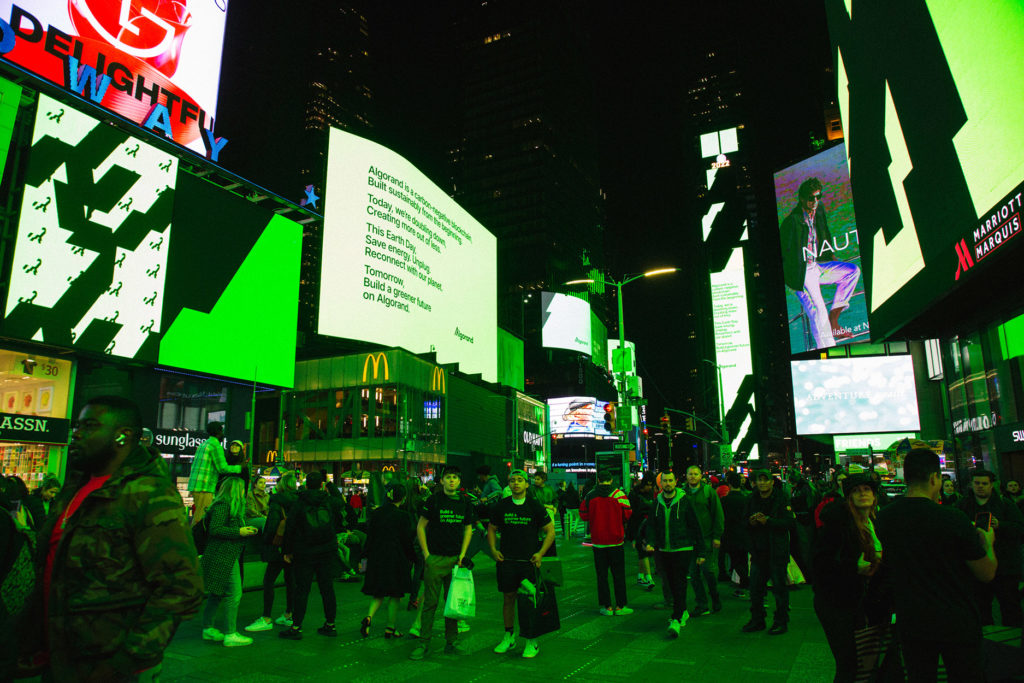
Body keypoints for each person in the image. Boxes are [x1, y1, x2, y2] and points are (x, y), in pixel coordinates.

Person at [39, 395, 203, 681]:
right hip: (59, 656)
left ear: (122, 436)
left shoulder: (149, 494)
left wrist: (125, 661)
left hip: (109, 665)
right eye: (77, 425)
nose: (76, 434)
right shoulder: (75, 487)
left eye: (89, 426)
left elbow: (181, 587)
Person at [876, 449, 996, 682]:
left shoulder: (885, 518)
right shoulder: (954, 519)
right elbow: (986, 573)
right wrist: (988, 544)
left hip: (912, 621)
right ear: (934, 478)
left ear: (905, 477)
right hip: (957, 621)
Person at [812, 473, 887, 682]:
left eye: (867, 490)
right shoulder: (838, 525)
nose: (863, 494)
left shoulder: (876, 521)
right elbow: (820, 564)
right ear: (849, 498)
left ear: (874, 495)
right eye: (856, 491)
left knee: (863, 661)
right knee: (848, 663)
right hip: (836, 603)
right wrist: (852, 567)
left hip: (864, 602)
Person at [780, 177, 861, 348]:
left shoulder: (819, 209)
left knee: (852, 271)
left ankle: (835, 318)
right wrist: (793, 280)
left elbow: (825, 232)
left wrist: (830, 255)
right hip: (802, 273)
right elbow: (782, 254)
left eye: (818, 196)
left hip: (818, 265)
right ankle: (827, 350)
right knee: (818, 312)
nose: (815, 201)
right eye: (811, 198)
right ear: (802, 199)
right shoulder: (791, 222)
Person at [409, 466, 476, 660]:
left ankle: (451, 642)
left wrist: (463, 554)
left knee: (452, 603)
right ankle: (424, 643)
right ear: (442, 481)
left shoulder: (465, 502)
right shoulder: (434, 500)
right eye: (448, 477)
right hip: (435, 558)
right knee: (430, 603)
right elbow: (421, 526)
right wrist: (427, 554)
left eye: (455, 477)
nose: (452, 480)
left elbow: (468, 528)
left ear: (459, 481)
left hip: (456, 560)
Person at [487, 469, 555, 658]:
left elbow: (550, 531)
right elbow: (491, 529)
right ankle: (509, 636)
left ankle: (531, 641)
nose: (516, 483)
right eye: (512, 480)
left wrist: (541, 553)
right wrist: (493, 549)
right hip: (507, 561)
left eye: (520, 480)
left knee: (528, 601)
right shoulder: (501, 506)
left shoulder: (535, 506)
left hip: (528, 562)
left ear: (527, 484)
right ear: (508, 484)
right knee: (508, 598)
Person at [279, 471, 347, 640]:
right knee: (327, 589)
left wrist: (287, 551)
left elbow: (290, 528)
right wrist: (330, 484)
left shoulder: (299, 502)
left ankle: (296, 627)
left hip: (304, 551)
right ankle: (330, 624)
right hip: (327, 550)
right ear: (322, 485)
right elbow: (341, 501)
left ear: (306, 484)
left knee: (302, 589)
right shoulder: (329, 501)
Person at [640, 470, 705, 638]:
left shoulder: (685, 501)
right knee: (669, 581)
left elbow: (695, 526)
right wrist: (651, 542)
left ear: (676, 481)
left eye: (670, 480)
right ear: (660, 484)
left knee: (679, 581)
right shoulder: (657, 502)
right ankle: (682, 610)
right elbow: (651, 525)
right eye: (664, 481)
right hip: (663, 550)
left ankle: (676, 618)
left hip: (682, 548)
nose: (667, 483)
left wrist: (700, 551)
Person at [956, 468, 1023, 627]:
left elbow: (1020, 529)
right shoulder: (962, 506)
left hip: (1005, 567)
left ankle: (1013, 645)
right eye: (977, 483)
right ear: (971, 484)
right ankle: (988, 645)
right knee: (981, 609)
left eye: (984, 483)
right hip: (976, 566)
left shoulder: (1005, 504)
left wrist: (1001, 525)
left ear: (991, 485)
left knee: (1010, 608)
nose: (980, 486)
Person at [200, 477, 258, 647]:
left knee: (216, 593)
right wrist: (239, 531)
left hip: (224, 554)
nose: (244, 492)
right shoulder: (223, 505)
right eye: (242, 488)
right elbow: (215, 529)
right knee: (234, 593)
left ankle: (208, 628)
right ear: (234, 490)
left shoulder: (227, 506)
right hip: (223, 555)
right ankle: (230, 633)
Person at [245, 469, 298, 633]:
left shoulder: (276, 503)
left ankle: (266, 617)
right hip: (293, 548)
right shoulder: (298, 502)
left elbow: (271, 526)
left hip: (278, 548)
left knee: (269, 581)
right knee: (291, 582)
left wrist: (266, 542)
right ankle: (289, 614)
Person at [743, 470, 795, 635]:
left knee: (779, 588)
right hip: (758, 551)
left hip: (777, 551)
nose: (763, 483)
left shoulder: (781, 498)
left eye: (766, 480)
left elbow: (789, 523)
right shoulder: (751, 499)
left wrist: (769, 521)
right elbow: (743, 522)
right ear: (755, 482)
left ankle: (781, 621)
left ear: (772, 482)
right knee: (755, 588)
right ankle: (757, 619)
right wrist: (751, 522)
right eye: (760, 480)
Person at [361, 483, 415, 639]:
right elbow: (407, 541)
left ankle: (369, 617)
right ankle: (390, 628)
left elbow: (369, 537)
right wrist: (413, 558)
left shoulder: (377, 514)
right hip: (396, 559)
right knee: (395, 594)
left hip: (377, 558)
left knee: (378, 592)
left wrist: (364, 556)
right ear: (403, 498)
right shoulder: (403, 516)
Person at [580, 469, 633, 616]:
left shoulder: (590, 495)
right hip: (616, 541)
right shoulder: (619, 495)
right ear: (611, 480)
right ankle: (621, 606)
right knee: (619, 575)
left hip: (598, 542)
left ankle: (606, 606)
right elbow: (628, 513)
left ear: (598, 480)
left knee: (601, 576)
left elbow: (584, 515)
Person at [684, 466, 724, 615]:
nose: (693, 476)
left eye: (695, 474)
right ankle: (702, 603)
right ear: (686, 476)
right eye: (690, 474)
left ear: (701, 476)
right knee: (693, 575)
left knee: (709, 571)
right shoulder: (682, 493)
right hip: (689, 541)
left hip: (707, 538)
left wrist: (717, 536)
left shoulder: (709, 492)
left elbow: (718, 515)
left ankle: (715, 597)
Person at [187, 422, 241, 525]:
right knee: (201, 518)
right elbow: (223, 468)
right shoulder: (215, 446)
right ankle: (195, 540)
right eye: (222, 431)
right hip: (204, 486)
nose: (223, 435)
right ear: (219, 432)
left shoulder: (204, 444)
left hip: (196, 485)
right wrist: (239, 468)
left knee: (199, 515)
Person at [720, 471, 750, 595]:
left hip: (730, 534)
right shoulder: (746, 500)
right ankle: (743, 585)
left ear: (729, 484)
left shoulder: (725, 501)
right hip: (744, 534)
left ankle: (747, 583)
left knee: (736, 561)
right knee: (742, 560)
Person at [788, 470, 818, 583]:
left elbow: (809, 505)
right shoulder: (806, 488)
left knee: (805, 548)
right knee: (805, 548)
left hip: (804, 521)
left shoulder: (802, 489)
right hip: (805, 520)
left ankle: (808, 574)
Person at [627, 475, 656, 589]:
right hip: (637, 526)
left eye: (651, 485)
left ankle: (640, 576)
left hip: (646, 526)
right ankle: (648, 578)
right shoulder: (634, 494)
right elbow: (631, 514)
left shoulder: (647, 493)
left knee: (642, 553)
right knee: (643, 552)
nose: (649, 487)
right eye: (648, 484)